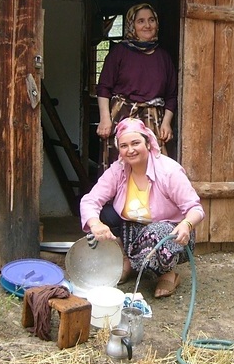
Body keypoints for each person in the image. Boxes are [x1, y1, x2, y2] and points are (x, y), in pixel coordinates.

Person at [80, 117, 205, 298]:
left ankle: (168, 273)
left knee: (156, 231)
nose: (130, 150)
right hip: (132, 230)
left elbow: (195, 208)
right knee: (105, 215)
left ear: (148, 143)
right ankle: (127, 260)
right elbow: (91, 200)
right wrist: (95, 224)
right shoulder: (118, 171)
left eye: (135, 143)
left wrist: (187, 225)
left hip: (172, 235)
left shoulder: (169, 171)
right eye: (124, 146)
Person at [96, 3, 177, 173]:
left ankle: (150, 201)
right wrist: (105, 119)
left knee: (154, 169)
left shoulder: (163, 57)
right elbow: (104, 87)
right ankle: (119, 201)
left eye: (151, 20)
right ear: (132, 25)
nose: (147, 25)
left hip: (152, 118)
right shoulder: (119, 52)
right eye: (141, 21)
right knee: (119, 168)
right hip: (121, 116)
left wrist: (166, 123)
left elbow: (171, 95)